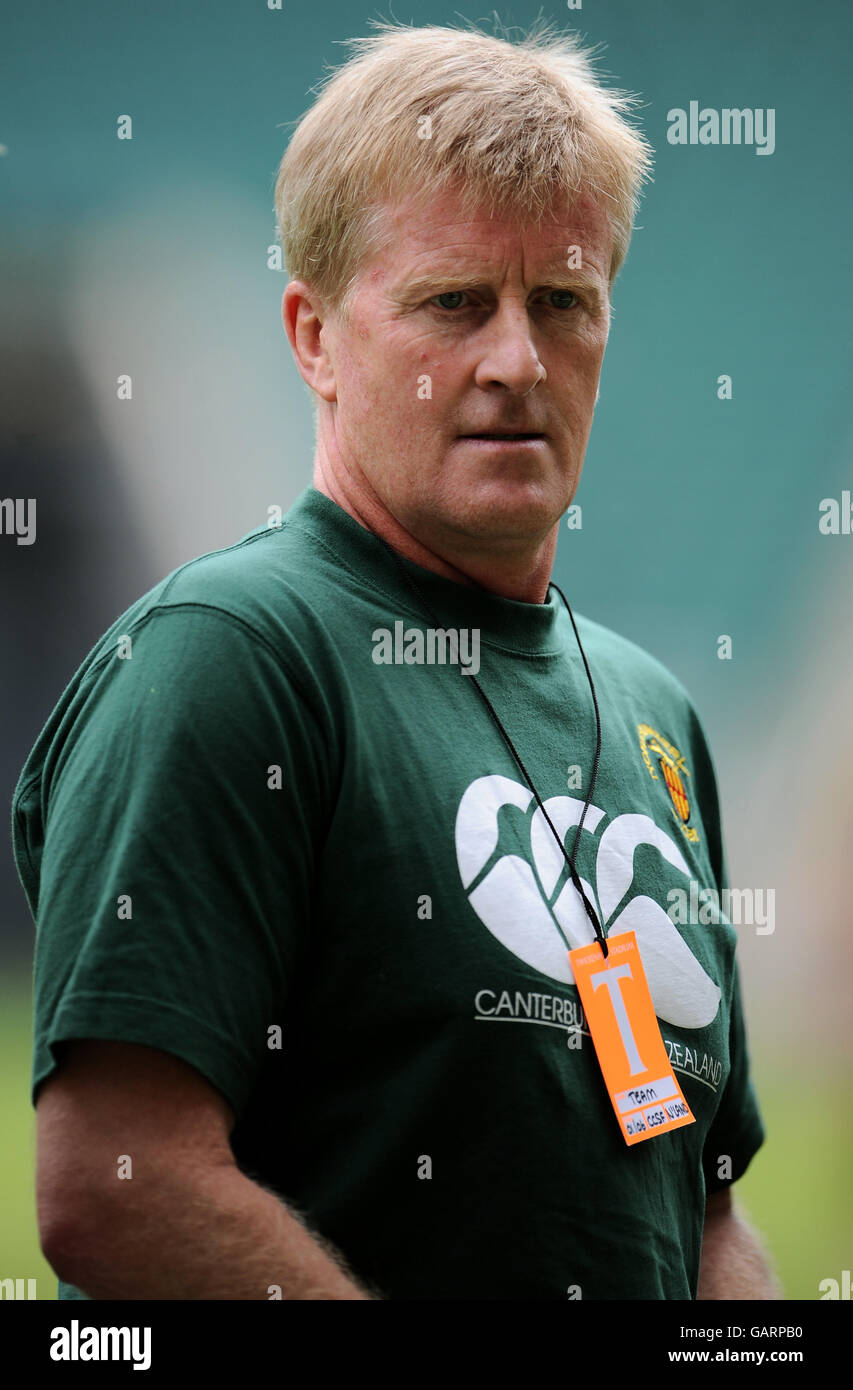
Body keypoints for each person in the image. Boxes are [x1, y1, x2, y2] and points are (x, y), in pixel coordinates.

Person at [13, 19, 778, 1301]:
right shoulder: (234, 658)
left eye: (564, 303)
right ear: (314, 336)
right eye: (453, 303)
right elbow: (111, 1180)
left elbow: (704, 1214)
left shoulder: (652, 708)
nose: (516, 362)